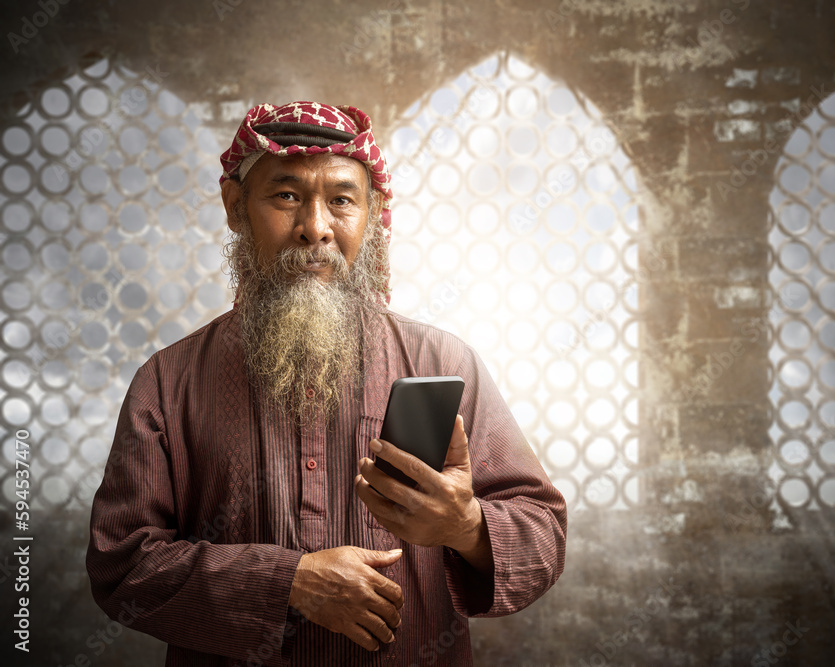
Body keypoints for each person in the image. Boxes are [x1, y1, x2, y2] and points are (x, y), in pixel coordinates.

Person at [86, 101, 567, 666]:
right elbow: (122, 567)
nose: (315, 227)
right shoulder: (168, 383)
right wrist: (287, 583)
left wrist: (466, 527)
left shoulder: (443, 360)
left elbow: (543, 533)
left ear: (373, 212)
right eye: (286, 196)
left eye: (341, 200)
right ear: (236, 206)